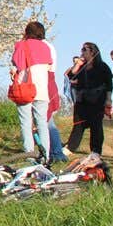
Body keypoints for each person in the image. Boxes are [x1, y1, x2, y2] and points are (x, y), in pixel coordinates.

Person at [11, 21, 55, 161]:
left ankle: (29, 155)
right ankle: (45, 156)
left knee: (26, 122)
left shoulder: (21, 45)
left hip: (25, 88)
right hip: (42, 89)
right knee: (42, 122)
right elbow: (49, 67)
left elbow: (17, 65)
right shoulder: (46, 47)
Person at [65, 42, 113, 155]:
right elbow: (71, 76)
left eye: (84, 49)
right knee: (78, 123)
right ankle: (71, 147)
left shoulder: (102, 67)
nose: (82, 52)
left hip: (97, 99)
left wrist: (108, 99)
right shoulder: (82, 67)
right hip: (82, 99)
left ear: (92, 51)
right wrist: (78, 64)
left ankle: (96, 150)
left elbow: (109, 84)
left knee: (96, 125)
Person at [45, 36, 67, 164]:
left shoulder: (43, 47)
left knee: (48, 123)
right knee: (47, 122)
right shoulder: (49, 46)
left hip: (43, 83)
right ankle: (55, 151)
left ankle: (56, 152)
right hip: (48, 82)